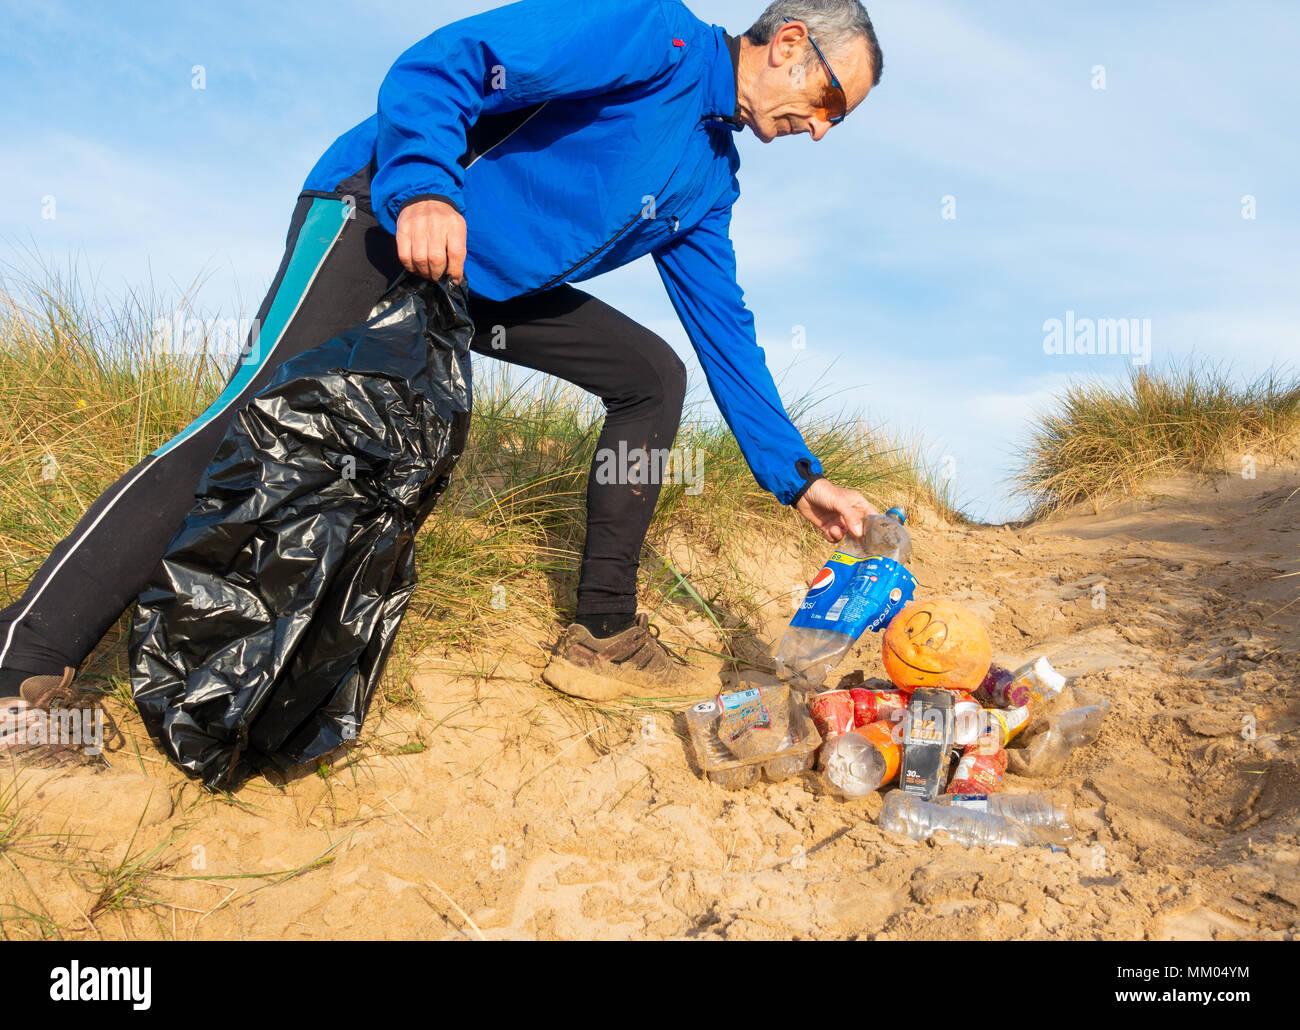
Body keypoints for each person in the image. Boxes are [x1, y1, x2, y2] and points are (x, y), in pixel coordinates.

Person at [0, 0, 885, 732]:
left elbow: (724, 330)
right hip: (382, 221)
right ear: (791, 42)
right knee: (245, 423)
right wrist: (424, 183)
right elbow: (449, 59)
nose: (821, 131)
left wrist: (801, 481)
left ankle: (604, 633)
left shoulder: (711, 177)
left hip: (476, 287)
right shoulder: (654, 37)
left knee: (652, 375)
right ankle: (22, 667)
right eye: (833, 103)